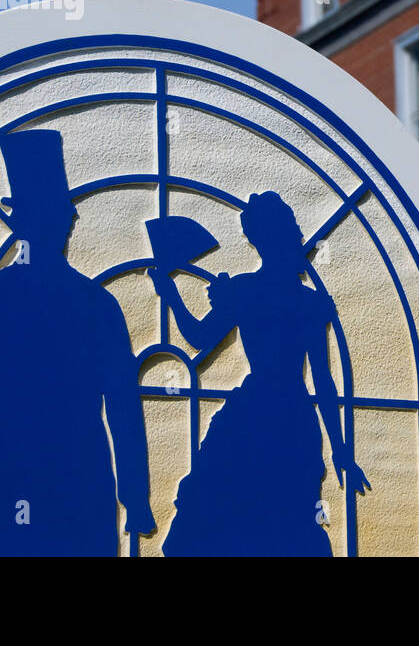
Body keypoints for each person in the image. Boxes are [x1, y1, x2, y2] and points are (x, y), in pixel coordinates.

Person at [0, 129, 155, 555]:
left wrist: (136, 497)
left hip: (36, 476)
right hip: (59, 479)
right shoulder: (95, 305)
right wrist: (135, 498)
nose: (67, 222)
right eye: (57, 213)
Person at [150, 190, 368, 556]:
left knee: (233, 512)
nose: (300, 236)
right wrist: (340, 450)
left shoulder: (245, 291)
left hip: (253, 415)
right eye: (293, 228)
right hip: (291, 417)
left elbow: (198, 336)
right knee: (285, 522)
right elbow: (323, 382)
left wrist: (171, 294)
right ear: (276, 237)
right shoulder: (306, 301)